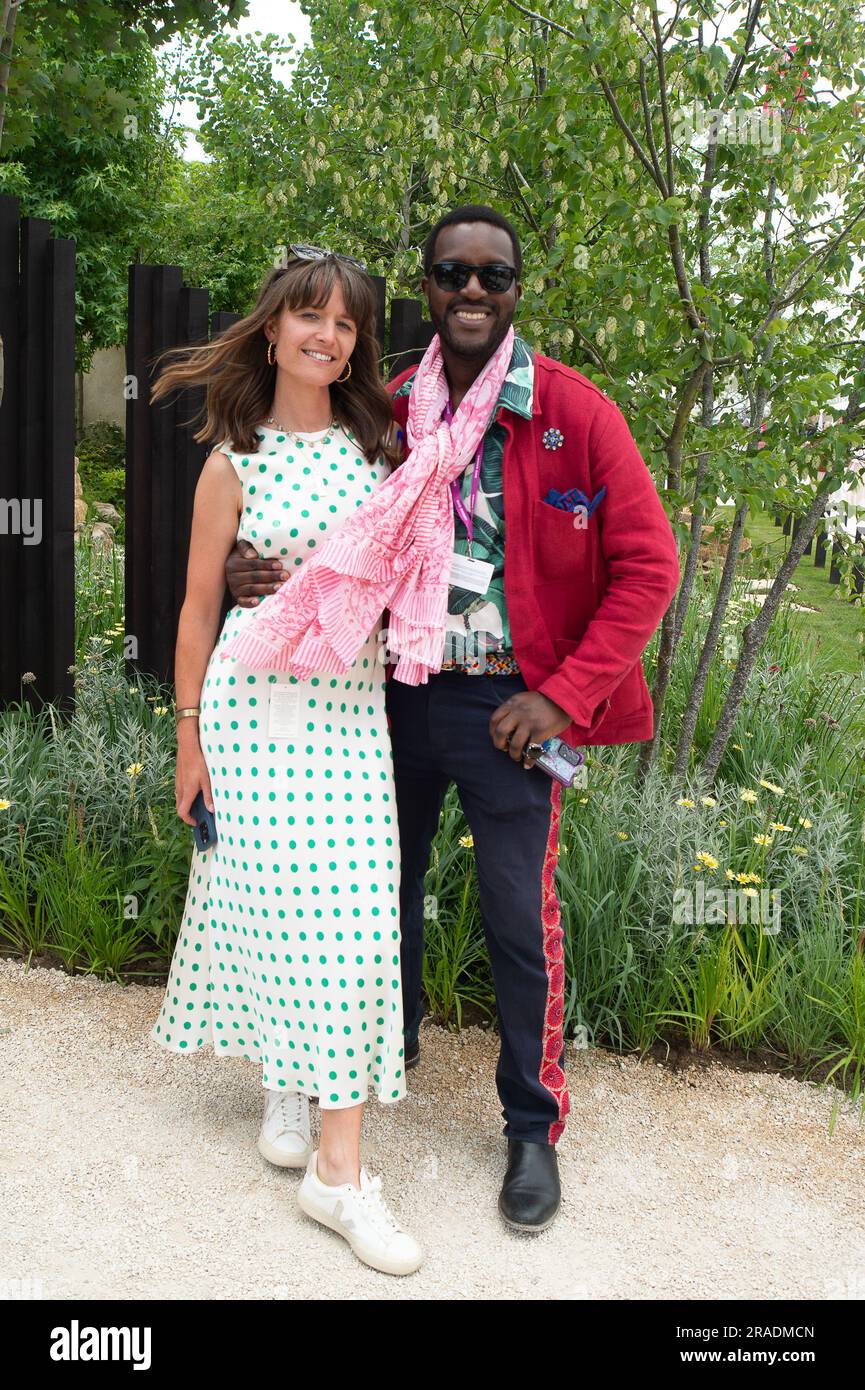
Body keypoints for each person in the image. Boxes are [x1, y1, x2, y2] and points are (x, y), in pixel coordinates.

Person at [225, 206, 681, 1234]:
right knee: (374, 895)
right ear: (426, 286)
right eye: (450, 273)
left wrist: (562, 694)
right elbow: (326, 528)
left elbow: (650, 568)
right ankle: (391, 1045)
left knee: (522, 921)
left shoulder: (573, 413)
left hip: (515, 708)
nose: (472, 291)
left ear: (518, 288)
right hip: (392, 691)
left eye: (494, 275)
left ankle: (531, 1126)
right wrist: (246, 569)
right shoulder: (385, 413)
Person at [147, 246, 425, 1277]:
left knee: (350, 920)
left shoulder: (380, 451)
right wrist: (187, 736)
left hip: (349, 718)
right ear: (273, 330)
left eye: (346, 324)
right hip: (250, 715)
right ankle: (309, 1120)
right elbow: (196, 605)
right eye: (309, 317)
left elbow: (416, 572)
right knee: (265, 900)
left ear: (356, 345)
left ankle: (331, 1161)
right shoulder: (233, 461)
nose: (327, 335)